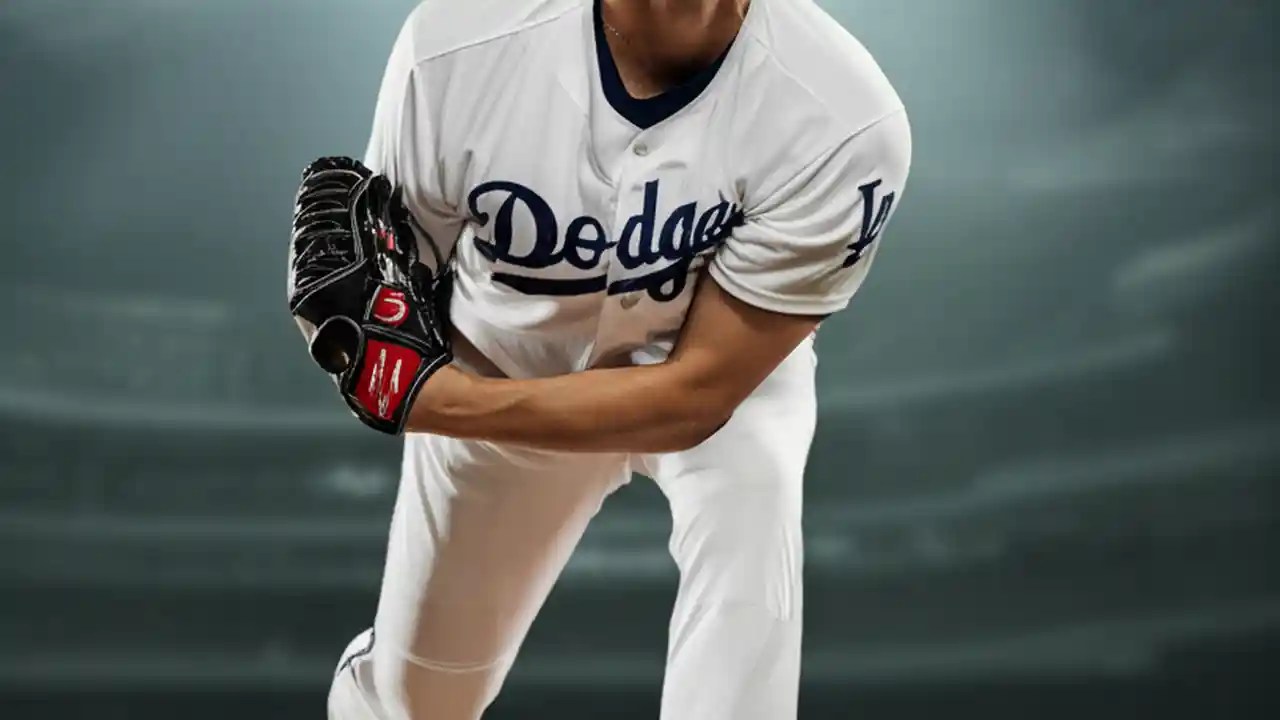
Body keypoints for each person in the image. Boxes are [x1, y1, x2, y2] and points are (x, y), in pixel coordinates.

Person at [312, 0, 911, 717]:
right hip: (505, 358)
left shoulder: (845, 117)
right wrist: (364, 342)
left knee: (751, 516)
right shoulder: (455, 45)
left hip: (714, 367)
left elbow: (697, 397)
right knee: (418, 700)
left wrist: (440, 403)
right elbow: (386, 293)